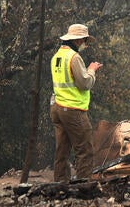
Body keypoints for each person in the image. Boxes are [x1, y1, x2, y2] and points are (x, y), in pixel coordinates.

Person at [50, 23, 103, 182]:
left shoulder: (57, 56)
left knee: (62, 151)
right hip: (73, 109)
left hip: (58, 107)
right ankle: (84, 187)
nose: (85, 44)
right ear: (79, 40)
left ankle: (60, 185)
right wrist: (92, 70)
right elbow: (85, 83)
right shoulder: (74, 57)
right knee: (85, 150)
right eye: (85, 41)